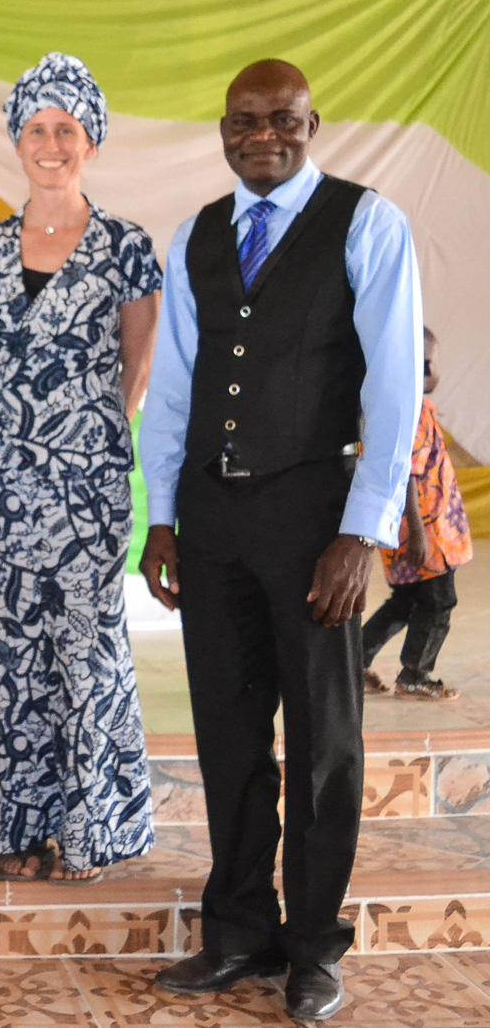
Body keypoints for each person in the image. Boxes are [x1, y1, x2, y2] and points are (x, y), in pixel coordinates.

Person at [139, 60, 422, 1022]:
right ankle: (239, 931)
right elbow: (174, 383)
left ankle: (313, 948)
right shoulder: (198, 235)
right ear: (223, 130)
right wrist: (163, 515)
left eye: (283, 120)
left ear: (313, 122)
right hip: (211, 522)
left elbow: (393, 391)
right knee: (226, 731)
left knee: (321, 742)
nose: (262, 135)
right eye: (243, 121)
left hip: (315, 519)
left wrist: (363, 531)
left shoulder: (368, 222)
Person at [0, 52, 161, 885]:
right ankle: (9, 829)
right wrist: (16, 455)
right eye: (36, 128)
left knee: (86, 651)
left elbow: (133, 379)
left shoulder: (125, 247)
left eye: (66, 129)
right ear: (16, 139)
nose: (49, 143)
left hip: (87, 490)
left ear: (91, 142)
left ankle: (90, 829)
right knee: (6, 656)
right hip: (4, 487)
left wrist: (74, 454)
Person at [361, 327, 471, 701]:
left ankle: (354, 661)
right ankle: (416, 674)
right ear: (424, 367)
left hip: (408, 531)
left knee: (406, 602)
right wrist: (421, 534)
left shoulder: (400, 408)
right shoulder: (413, 414)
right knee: (439, 601)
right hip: (425, 534)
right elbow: (406, 471)